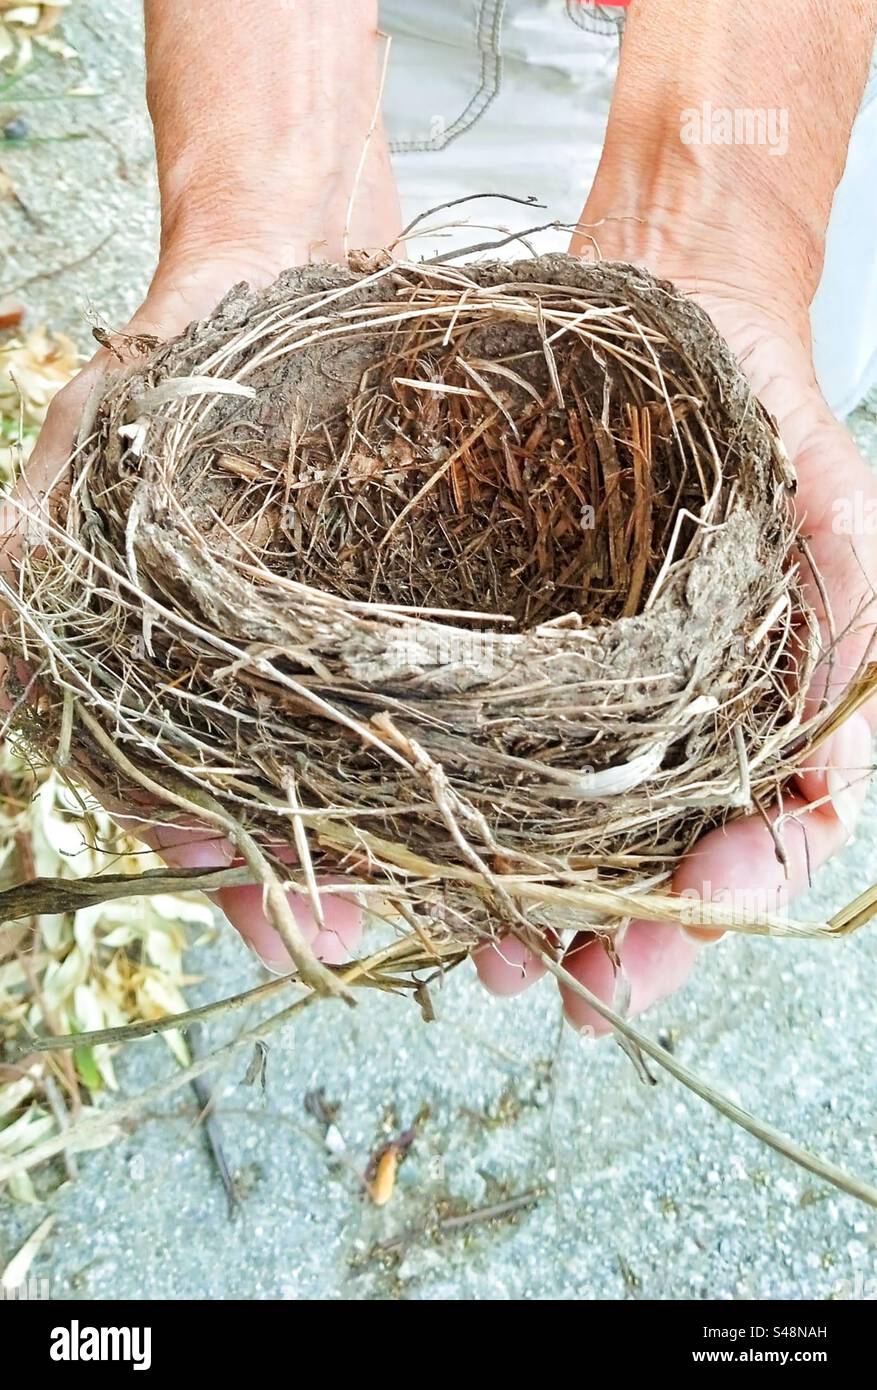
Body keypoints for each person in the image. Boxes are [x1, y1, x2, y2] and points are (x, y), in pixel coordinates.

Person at [13, 0, 877, 1033]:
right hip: (394, 40)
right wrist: (272, 181)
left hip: (765, 65)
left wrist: (729, 223)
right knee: (381, 296)